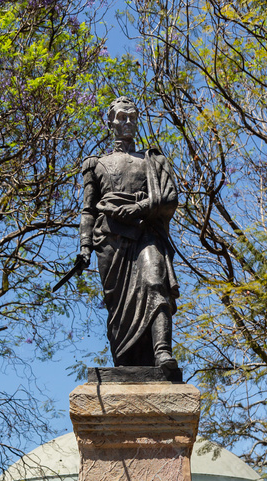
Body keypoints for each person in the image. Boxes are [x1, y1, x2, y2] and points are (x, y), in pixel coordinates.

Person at [76, 95, 180, 371]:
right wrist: (85, 246)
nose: (128, 122)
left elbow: (169, 200)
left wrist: (140, 207)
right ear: (110, 120)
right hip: (110, 241)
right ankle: (126, 361)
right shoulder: (96, 164)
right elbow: (88, 210)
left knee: (155, 279)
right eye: (122, 116)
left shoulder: (153, 161)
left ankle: (162, 352)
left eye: (133, 117)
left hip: (145, 233)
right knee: (117, 307)